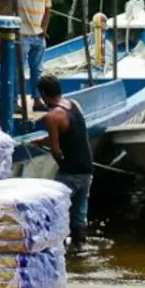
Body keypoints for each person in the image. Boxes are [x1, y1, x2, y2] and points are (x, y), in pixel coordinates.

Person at [33, 74, 93, 249]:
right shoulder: (74, 104)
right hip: (87, 169)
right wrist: (40, 142)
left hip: (70, 171)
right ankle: (80, 247)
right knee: (79, 213)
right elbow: (72, 134)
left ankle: (55, 249)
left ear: (43, 94)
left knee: (55, 208)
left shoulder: (52, 117)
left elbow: (56, 150)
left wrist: (58, 158)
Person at [16, 0, 52, 111]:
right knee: (18, 69)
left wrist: (44, 29)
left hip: (38, 35)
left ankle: (37, 99)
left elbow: (48, 8)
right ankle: (12, 100)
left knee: (37, 70)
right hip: (23, 34)